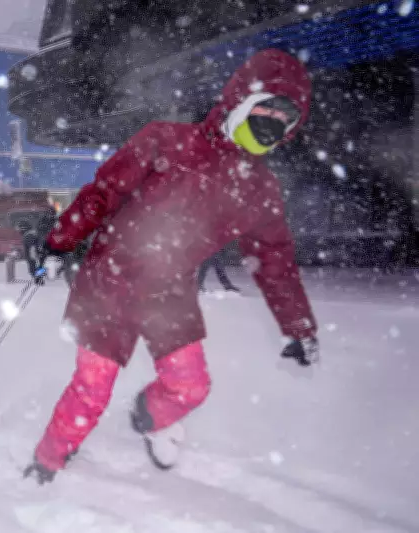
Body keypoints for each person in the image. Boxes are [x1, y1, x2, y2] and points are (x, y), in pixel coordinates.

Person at [23, 49, 320, 485]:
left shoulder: (261, 189)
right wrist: (58, 241)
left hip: (170, 291)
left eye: (284, 115)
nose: (272, 120)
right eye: (266, 106)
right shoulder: (166, 140)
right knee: (93, 386)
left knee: (191, 386)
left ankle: (147, 415)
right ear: (239, 101)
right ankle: (49, 460)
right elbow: (103, 193)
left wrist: (299, 328)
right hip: (111, 277)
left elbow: (276, 261)